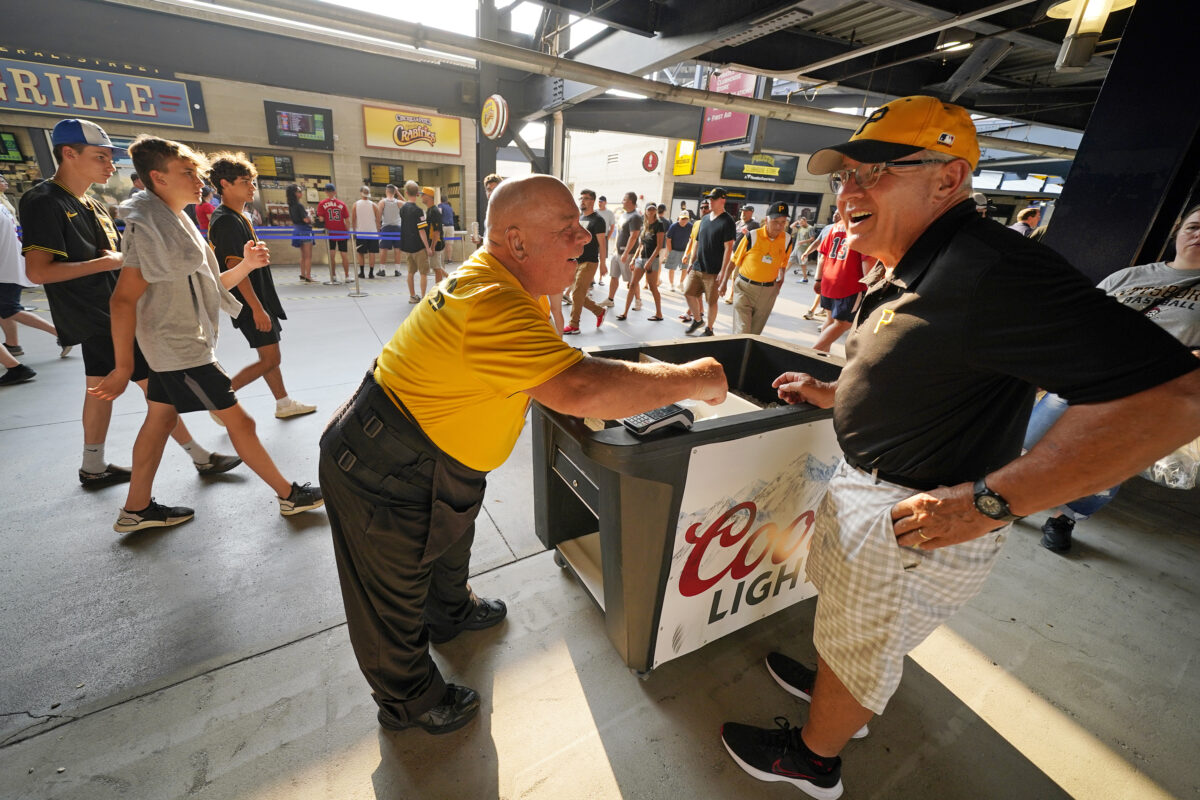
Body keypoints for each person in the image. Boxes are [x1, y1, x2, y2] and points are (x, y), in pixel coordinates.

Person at [719, 94, 1200, 800]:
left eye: (875, 173)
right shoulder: (919, 259)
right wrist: (839, 393)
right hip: (868, 492)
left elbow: (1173, 400)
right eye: (844, 175)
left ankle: (815, 760)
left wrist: (994, 501)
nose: (849, 191)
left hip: (909, 517)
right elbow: (938, 364)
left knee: (862, 648)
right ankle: (837, 696)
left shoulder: (991, 270)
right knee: (850, 632)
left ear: (947, 180)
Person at [317, 173, 727, 736]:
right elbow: (578, 386)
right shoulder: (491, 301)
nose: (584, 238)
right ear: (516, 242)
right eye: (567, 230)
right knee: (389, 596)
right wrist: (692, 377)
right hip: (384, 466)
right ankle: (408, 700)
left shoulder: (514, 287)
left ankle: (451, 612)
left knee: (449, 544)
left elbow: (553, 361)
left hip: (440, 459)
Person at [88, 135, 324, 533]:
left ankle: (136, 508)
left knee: (160, 421)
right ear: (158, 179)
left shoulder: (176, 222)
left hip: (177, 344)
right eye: (188, 172)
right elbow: (122, 301)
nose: (199, 180)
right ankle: (289, 496)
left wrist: (246, 265)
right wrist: (124, 365)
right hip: (179, 349)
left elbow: (212, 286)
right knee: (242, 423)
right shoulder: (149, 229)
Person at [21, 118, 235, 487]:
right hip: (103, 315)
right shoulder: (43, 201)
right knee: (162, 395)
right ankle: (197, 459)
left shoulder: (95, 204)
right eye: (101, 157)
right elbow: (39, 272)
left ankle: (94, 464)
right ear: (68, 154)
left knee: (100, 389)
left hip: (107, 314)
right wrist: (107, 262)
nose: (110, 165)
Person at [1023, 203, 1200, 552]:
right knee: (1028, 445)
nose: (1198, 235)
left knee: (1102, 473)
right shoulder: (1131, 276)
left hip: (1145, 403)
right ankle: (1005, 505)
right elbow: (1085, 320)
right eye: (1194, 226)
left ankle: (1063, 518)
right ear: (1179, 230)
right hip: (1083, 384)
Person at [207, 152, 317, 421]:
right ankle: (220, 400)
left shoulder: (239, 216)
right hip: (250, 302)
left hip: (259, 298)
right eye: (245, 181)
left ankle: (283, 403)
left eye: (252, 181)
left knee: (269, 354)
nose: (252, 188)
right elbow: (237, 270)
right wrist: (256, 309)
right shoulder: (226, 221)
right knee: (270, 359)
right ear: (225, 184)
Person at [1, 200, 69, 358]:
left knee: (10, 309)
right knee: (5, 309)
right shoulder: (2, 208)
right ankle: (12, 344)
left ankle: (62, 335)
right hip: (10, 265)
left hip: (5, 269)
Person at [810, 215, 873, 353]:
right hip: (849, 284)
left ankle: (819, 356)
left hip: (829, 279)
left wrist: (818, 279)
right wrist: (872, 287)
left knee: (831, 321)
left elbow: (822, 256)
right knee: (844, 323)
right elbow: (867, 260)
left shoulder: (837, 225)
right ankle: (812, 353)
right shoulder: (865, 227)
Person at [729, 201, 792, 335]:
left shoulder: (787, 239)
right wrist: (723, 282)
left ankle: (746, 354)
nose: (779, 226)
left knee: (754, 333)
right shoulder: (752, 236)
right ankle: (737, 354)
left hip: (768, 292)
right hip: (745, 288)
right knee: (742, 330)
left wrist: (782, 277)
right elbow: (735, 260)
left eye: (783, 222)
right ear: (767, 220)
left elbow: (784, 262)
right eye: (776, 221)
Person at [681, 187, 736, 337]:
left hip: (714, 270)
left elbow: (728, 248)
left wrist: (723, 274)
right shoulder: (704, 219)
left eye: (713, 198)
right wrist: (691, 263)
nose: (710, 201)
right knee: (688, 292)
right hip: (698, 266)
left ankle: (709, 329)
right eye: (709, 198)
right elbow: (697, 243)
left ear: (722, 200)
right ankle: (698, 320)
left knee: (711, 302)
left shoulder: (728, 221)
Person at [562, 188, 607, 335]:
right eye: (581, 198)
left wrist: (603, 264)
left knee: (576, 293)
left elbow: (602, 243)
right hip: (576, 261)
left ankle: (574, 325)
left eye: (586, 198)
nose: (582, 201)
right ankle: (599, 311)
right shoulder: (580, 218)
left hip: (590, 261)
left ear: (592, 201)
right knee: (578, 293)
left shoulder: (598, 220)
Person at [618, 202, 664, 321]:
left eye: (654, 209)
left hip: (652, 260)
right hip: (641, 258)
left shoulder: (659, 224)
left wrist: (650, 260)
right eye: (649, 209)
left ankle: (659, 313)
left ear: (656, 211)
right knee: (632, 284)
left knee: (652, 287)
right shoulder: (644, 224)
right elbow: (641, 244)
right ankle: (625, 313)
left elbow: (659, 246)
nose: (651, 211)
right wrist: (633, 259)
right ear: (645, 211)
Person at [602, 191, 642, 310]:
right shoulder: (624, 215)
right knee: (614, 276)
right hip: (617, 252)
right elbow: (620, 233)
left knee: (631, 281)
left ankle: (638, 301)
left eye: (624, 199)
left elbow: (634, 236)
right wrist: (615, 248)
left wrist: (625, 253)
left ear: (631, 201)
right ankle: (610, 299)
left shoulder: (635, 216)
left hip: (628, 253)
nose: (622, 201)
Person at [399, 181, 433, 302]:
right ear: (418, 194)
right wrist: (428, 248)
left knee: (410, 272)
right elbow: (422, 231)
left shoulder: (402, 209)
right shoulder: (419, 211)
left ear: (407, 193)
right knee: (423, 273)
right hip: (419, 247)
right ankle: (423, 297)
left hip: (407, 246)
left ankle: (412, 296)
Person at [316, 183, 352, 282]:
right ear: (335, 192)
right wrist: (347, 232)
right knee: (344, 254)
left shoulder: (322, 204)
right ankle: (347, 276)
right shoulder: (342, 204)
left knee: (331, 254)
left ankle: (333, 275)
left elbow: (321, 219)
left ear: (326, 192)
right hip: (342, 232)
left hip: (330, 232)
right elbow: (347, 220)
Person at [727, 205, 759, 303]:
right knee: (731, 275)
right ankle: (737, 295)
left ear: (751, 212)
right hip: (734, 252)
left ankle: (733, 296)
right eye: (742, 211)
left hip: (744, 254)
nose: (743, 213)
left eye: (746, 211)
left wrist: (748, 234)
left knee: (736, 275)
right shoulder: (737, 223)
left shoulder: (754, 224)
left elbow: (757, 238)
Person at [286, 184, 315, 283]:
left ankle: (303, 274)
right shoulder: (299, 205)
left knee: (303, 255)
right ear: (294, 194)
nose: (301, 193)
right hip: (305, 230)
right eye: (299, 191)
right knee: (308, 256)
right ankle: (308, 276)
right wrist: (310, 215)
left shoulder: (291, 206)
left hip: (297, 230)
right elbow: (306, 220)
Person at [352, 186, 382, 280]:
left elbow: (353, 219)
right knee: (372, 253)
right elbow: (378, 220)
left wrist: (354, 231)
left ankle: (362, 272)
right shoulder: (374, 205)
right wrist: (378, 231)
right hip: (372, 233)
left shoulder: (356, 204)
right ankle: (371, 273)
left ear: (361, 193)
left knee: (361, 253)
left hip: (361, 233)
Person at [420, 186, 447, 282]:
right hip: (433, 243)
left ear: (428, 196)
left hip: (436, 243)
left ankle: (438, 290)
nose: (421, 197)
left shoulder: (434, 211)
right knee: (436, 266)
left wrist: (432, 247)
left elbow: (437, 231)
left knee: (436, 268)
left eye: (423, 195)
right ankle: (450, 279)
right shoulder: (430, 210)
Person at [469, 173, 503, 247]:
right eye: (489, 190)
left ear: (501, 190)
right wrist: (481, 240)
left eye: (495, 189)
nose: (491, 193)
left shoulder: (506, 210)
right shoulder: (491, 210)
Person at [377, 184, 403, 277]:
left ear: (386, 191)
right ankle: (397, 270)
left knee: (384, 249)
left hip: (386, 227)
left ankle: (382, 270)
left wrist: (378, 227)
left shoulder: (382, 202)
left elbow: (378, 215)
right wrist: (398, 192)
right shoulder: (398, 202)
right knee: (397, 249)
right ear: (394, 192)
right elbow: (407, 203)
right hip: (398, 228)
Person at [663, 211, 692, 291]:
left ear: (688, 219)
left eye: (686, 219)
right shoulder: (673, 226)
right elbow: (668, 239)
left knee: (684, 268)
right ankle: (671, 284)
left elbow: (692, 239)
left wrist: (688, 251)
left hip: (685, 251)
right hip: (674, 249)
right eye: (682, 219)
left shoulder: (690, 226)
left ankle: (681, 283)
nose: (684, 221)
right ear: (679, 218)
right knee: (672, 268)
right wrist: (670, 251)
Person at [595, 195, 616, 283]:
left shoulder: (609, 213)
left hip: (604, 237)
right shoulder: (595, 212)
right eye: (599, 201)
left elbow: (612, 226)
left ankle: (600, 278)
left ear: (605, 203)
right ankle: (592, 279)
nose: (600, 203)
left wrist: (607, 238)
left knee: (602, 259)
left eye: (602, 201)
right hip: (594, 238)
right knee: (593, 258)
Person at [789, 216, 815, 282]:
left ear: (805, 221)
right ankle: (781, 275)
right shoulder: (800, 227)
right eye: (800, 222)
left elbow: (812, 239)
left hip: (803, 248)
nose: (800, 224)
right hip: (797, 248)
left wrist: (803, 241)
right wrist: (797, 222)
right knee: (790, 260)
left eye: (802, 222)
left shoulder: (810, 228)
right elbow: (791, 226)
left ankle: (805, 278)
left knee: (802, 263)